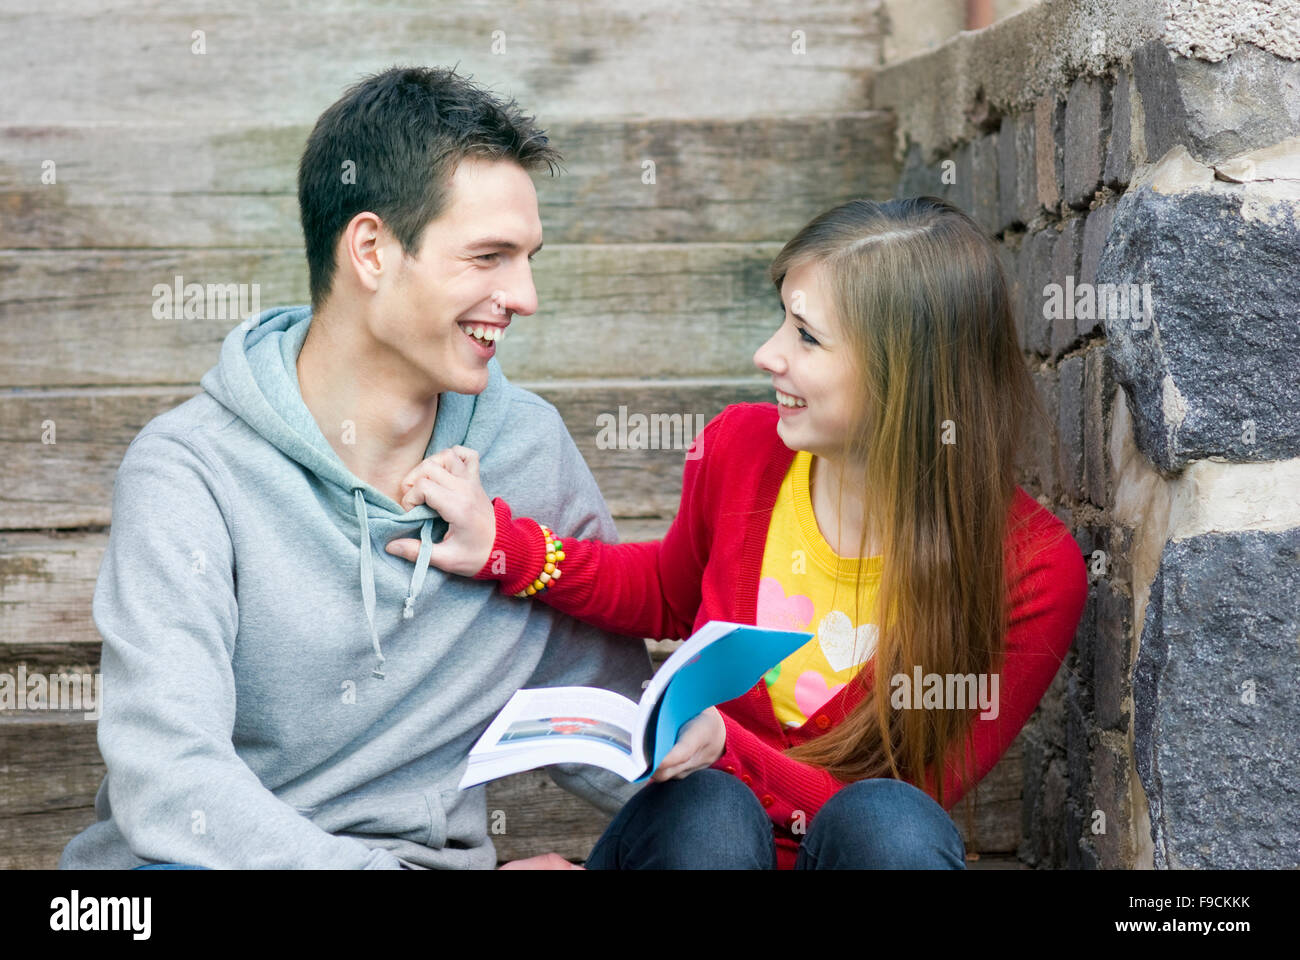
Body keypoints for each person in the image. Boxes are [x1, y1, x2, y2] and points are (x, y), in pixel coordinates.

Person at [58, 66, 653, 870]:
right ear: (371, 250)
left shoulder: (528, 450)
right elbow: (171, 783)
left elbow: (604, 729)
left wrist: (775, 790)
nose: (524, 294)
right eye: (488, 256)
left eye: (527, 258)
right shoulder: (191, 470)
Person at [385, 196, 1090, 869]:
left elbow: (919, 807)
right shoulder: (742, 448)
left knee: (892, 822)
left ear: (907, 374)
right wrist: (505, 548)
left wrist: (730, 745)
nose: (767, 354)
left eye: (807, 337)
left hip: (857, 851)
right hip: (700, 846)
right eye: (782, 320)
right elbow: (666, 592)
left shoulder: (1031, 569)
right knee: (710, 812)